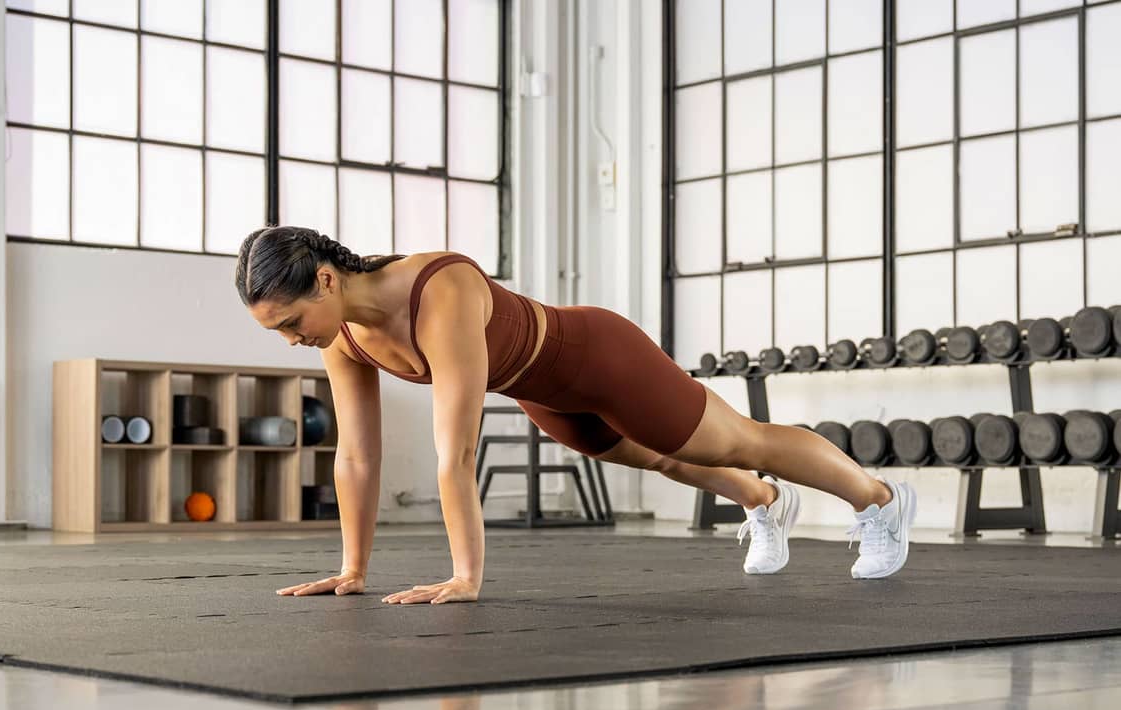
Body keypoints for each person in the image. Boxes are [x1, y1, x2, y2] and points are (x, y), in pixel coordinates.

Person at [236, 226, 917, 605]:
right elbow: (356, 455)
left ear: (326, 279)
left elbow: (456, 454)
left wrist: (466, 576)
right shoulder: (342, 337)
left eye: (291, 323)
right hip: (544, 394)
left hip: (598, 356)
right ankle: (763, 501)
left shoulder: (436, 289)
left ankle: (880, 501)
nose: (292, 340)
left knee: (736, 440)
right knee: (662, 458)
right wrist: (353, 569)